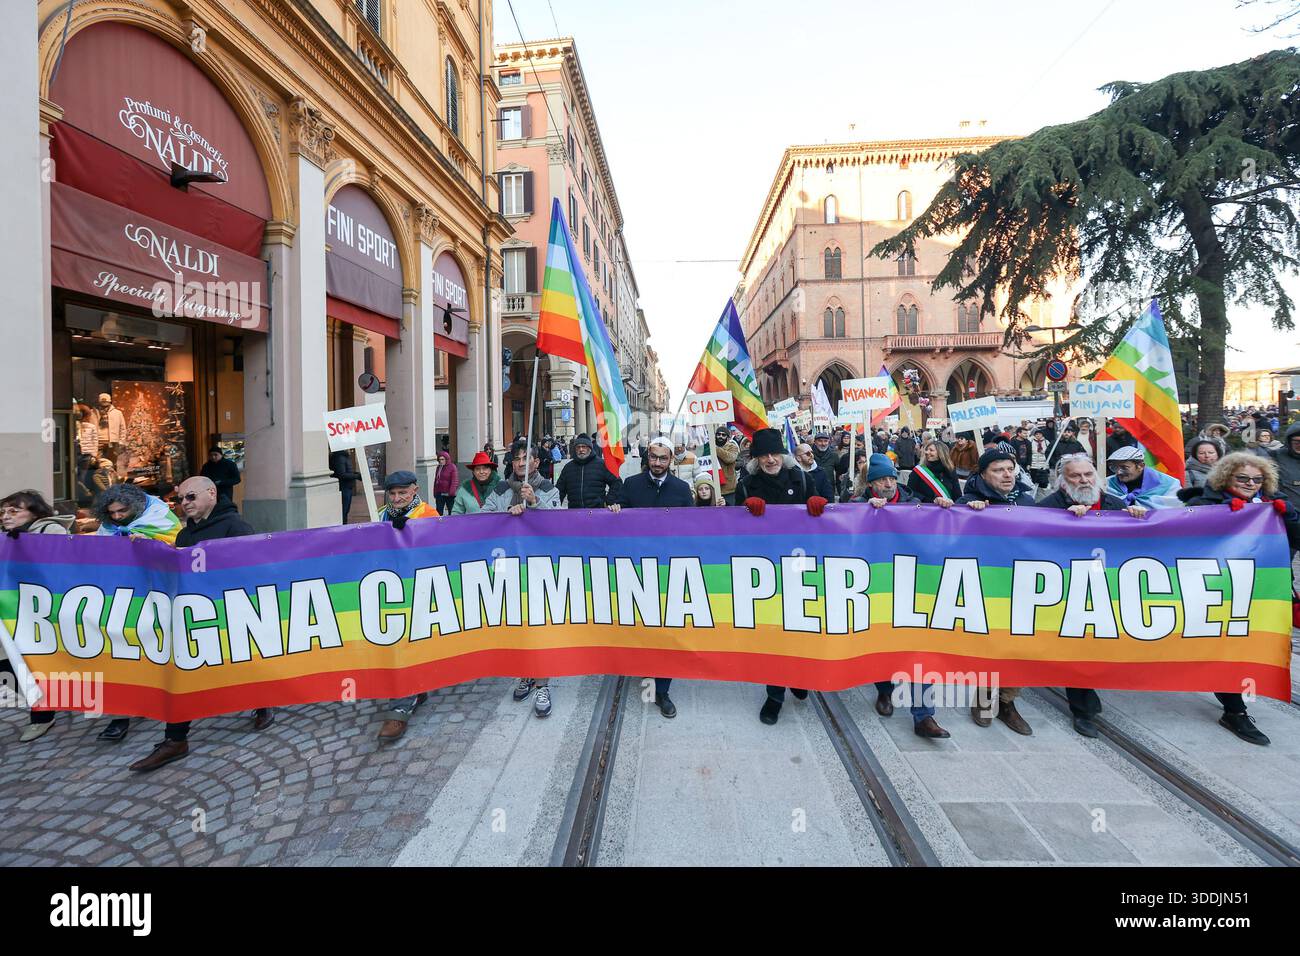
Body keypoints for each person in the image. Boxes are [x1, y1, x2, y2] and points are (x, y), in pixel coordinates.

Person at [126, 476, 273, 771]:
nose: (184, 503)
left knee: (243, 664)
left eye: (191, 497)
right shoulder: (184, 535)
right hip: (195, 618)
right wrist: (149, 550)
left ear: (212, 493)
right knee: (184, 671)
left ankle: (263, 703)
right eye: (181, 499)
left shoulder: (236, 528)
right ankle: (175, 739)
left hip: (231, 615)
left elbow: (252, 570)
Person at [1183, 452, 1300, 745]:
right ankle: (1235, 711)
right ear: (1226, 477)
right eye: (1243, 478)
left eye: (1257, 479)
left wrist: (1289, 515)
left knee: (1254, 647)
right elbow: (1184, 539)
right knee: (1227, 647)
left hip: (1263, 592)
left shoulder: (1273, 503)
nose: (1251, 484)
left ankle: (1237, 699)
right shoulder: (1204, 503)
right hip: (1221, 591)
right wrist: (1223, 516)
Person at [1033, 456, 1147, 737]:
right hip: (1068, 590)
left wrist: (1138, 519)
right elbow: (1031, 542)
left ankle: (1088, 689)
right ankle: (1083, 709)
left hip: (1107, 589)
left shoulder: (1115, 505)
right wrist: (1063, 522)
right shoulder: (1047, 508)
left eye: (1088, 474)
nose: (1084, 480)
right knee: (1078, 646)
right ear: (1062, 481)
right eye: (1075, 476)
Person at [734, 427, 829, 725]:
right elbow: (732, 530)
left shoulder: (803, 479)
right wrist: (744, 512)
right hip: (765, 572)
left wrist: (819, 506)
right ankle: (774, 696)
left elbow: (830, 512)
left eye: (774, 453)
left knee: (799, 630)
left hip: (799, 568)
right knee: (773, 635)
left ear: (783, 455)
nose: (770, 459)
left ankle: (798, 677)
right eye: (764, 455)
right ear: (756, 459)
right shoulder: (747, 485)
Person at [957, 447, 1037, 735]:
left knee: (1021, 645)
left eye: (1010, 469)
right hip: (987, 585)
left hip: (1022, 584)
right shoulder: (967, 502)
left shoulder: (1026, 500)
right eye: (998, 470)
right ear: (982, 474)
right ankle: (984, 695)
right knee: (990, 644)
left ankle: (1007, 701)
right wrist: (969, 515)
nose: (1007, 475)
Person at [482, 444, 563, 717]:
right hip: (509, 568)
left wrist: (535, 503)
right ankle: (527, 674)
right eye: (516, 459)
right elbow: (483, 518)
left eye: (525, 458)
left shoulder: (548, 488)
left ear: (536, 462)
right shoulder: (501, 490)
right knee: (518, 623)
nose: (520, 463)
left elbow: (559, 522)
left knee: (539, 625)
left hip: (539, 567)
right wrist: (506, 514)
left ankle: (543, 684)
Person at [620, 437, 694, 718]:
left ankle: (661, 690)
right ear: (647, 458)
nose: (658, 463)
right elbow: (617, 517)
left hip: (669, 570)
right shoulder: (631, 485)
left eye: (663, 458)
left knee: (666, 629)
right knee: (643, 626)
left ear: (671, 460)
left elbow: (693, 526)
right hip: (638, 568)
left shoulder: (682, 489)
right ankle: (646, 670)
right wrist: (614, 509)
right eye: (654, 457)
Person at [373, 471, 441, 741]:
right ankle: (416, 690)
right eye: (392, 493)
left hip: (419, 589)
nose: (397, 498)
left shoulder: (429, 514)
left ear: (415, 490)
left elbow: (437, 550)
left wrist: (410, 534)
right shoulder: (381, 515)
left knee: (409, 644)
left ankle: (400, 708)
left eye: (403, 492)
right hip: (391, 591)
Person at [1, 490, 69, 742]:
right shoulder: (6, 538)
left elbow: (63, 566)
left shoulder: (51, 531)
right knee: (7, 662)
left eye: (13, 511)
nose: (5, 516)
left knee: (41, 660)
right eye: (3, 512)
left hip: (45, 612)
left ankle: (43, 714)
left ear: (35, 513)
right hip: (14, 611)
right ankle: (44, 703)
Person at [93, 483, 181, 545]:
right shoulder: (107, 525)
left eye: (122, 510)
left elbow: (175, 546)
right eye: (112, 512)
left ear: (136, 505)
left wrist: (149, 542)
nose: (116, 516)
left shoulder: (159, 514)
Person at [555, 433, 624, 510]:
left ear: (590, 448)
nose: (581, 449)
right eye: (578, 447)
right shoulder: (568, 468)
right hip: (575, 512)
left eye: (584, 447)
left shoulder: (602, 464)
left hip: (597, 512)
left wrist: (609, 501)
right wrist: (555, 507)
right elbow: (559, 490)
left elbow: (617, 482)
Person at [1105, 445, 1183, 509]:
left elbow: (1174, 513)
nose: (1118, 472)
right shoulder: (1106, 484)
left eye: (1124, 467)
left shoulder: (1169, 485)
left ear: (1141, 466)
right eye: (1114, 467)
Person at [1269, 422, 1300, 512]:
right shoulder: (1276, 456)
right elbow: (1269, 485)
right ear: (1289, 442)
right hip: (1288, 512)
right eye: (1296, 442)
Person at [96, 393, 127, 479]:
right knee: (98, 464)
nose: (104, 406)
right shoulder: (95, 413)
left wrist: (121, 442)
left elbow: (123, 429)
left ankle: (113, 481)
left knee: (112, 464)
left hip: (113, 442)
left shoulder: (117, 413)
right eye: (102, 404)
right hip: (98, 442)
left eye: (106, 404)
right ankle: (102, 482)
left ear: (110, 402)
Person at [328, 448, 362, 524]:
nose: (350, 449)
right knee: (343, 511)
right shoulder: (340, 457)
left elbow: (347, 471)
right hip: (344, 487)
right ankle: (343, 526)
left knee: (345, 510)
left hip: (347, 487)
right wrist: (356, 476)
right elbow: (342, 474)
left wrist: (356, 474)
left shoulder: (343, 456)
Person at [711, 426, 740, 503]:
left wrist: (715, 448)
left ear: (727, 437)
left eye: (723, 435)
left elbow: (730, 458)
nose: (720, 436)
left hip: (728, 489)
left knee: (729, 509)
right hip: (714, 487)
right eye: (718, 434)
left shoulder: (732, 447)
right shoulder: (710, 447)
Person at [432, 450, 459, 515]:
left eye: (442, 459)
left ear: (446, 459)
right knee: (439, 511)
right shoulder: (439, 467)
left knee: (451, 510)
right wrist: (435, 492)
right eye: (439, 460)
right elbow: (436, 480)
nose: (441, 461)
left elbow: (454, 481)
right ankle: (439, 521)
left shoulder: (452, 467)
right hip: (440, 493)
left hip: (449, 494)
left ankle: (451, 521)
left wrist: (451, 492)